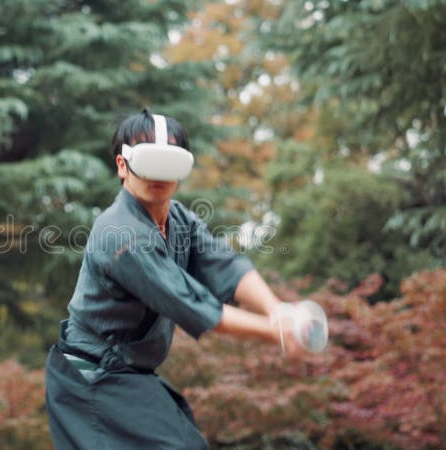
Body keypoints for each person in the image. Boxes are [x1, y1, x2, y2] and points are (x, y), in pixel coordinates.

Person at [45, 109, 306, 449]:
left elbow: (226, 265)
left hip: (125, 376)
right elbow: (192, 305)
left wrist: (276, 309)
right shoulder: (122, 234)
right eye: (148, 160)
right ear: (122, 166)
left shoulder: (179, 219)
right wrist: (278, 332)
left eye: (169, 162)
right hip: (89, 378)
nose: (158, 174)